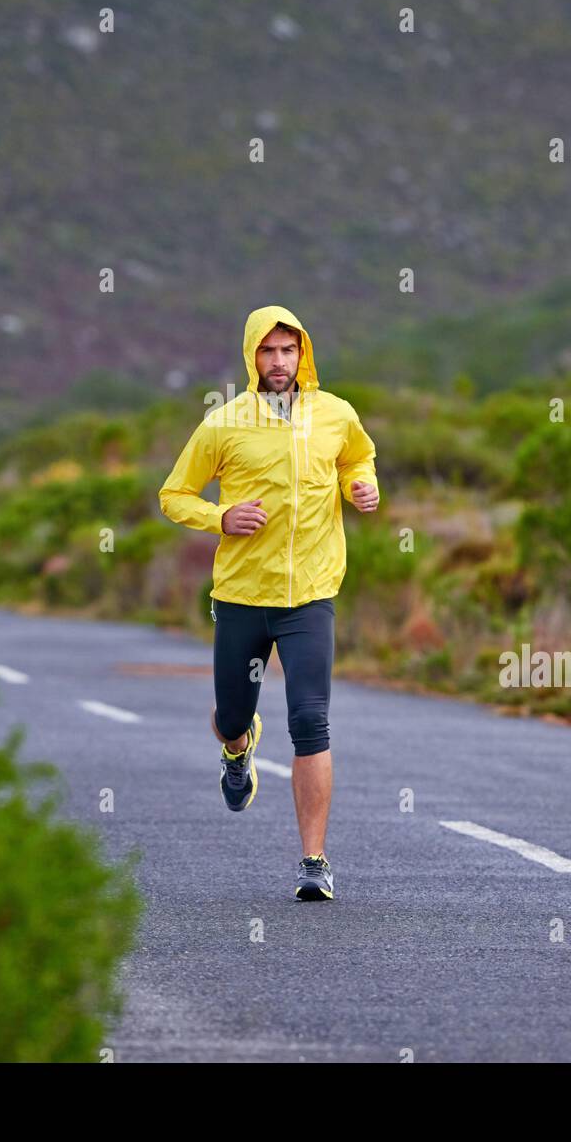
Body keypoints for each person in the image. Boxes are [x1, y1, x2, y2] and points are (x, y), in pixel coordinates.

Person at [158, 304, 380, 900]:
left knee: (310, 720)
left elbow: (359, 456)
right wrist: (220, 516)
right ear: (251, 356)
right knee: (232, 716)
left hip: (310, 595)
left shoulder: (335, 414)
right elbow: (174, 494)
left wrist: (364, 486)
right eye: (267, 351)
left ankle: (314, 861)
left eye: (288, 350)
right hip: (240, 595)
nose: (278, 362)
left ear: (302, 352)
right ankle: (237, 748)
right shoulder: (224, 423)